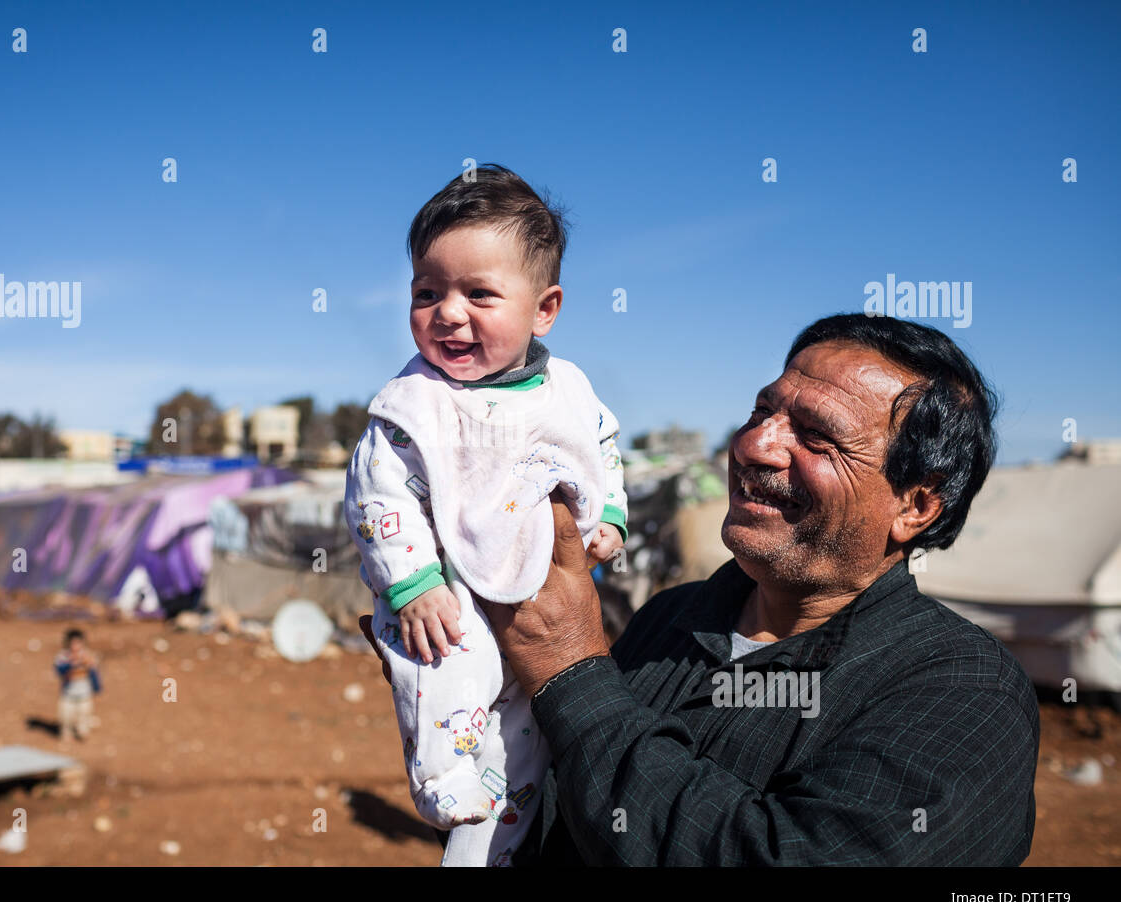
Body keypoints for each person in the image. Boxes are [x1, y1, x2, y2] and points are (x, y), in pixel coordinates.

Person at [366, 313, 1040, 865]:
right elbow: (571, 826)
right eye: (762, 411)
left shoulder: (963, 692)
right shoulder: (674, 619)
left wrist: (570, 672)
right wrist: (472, 706)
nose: (755, 446)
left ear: (915, 506)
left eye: (816, 435)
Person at [344, 165, 629, 867]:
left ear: (544, 308)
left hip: (539, 594)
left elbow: (600, 447)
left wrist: (610, 515)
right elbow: (377, 492)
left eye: (478, 294)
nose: (447, 312)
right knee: (447, 665)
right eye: (427, 292)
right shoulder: (417, 403)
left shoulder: (567, 391)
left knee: (525, 731)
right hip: (449, 593)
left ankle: (491, 848)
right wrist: (411, 583)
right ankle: (440, 778)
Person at [54, 627, 101, 743]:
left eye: (78, 643)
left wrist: (97, 687)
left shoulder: (88, 656)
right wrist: (71, 664)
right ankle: (66, 733)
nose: (75, 646)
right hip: (68, 694)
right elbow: (59, 671)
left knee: (84, 714)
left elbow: (94, 673)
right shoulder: (63, 657)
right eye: (73, 643)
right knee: (66, 716)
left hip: (84, 693)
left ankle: (82, 732)